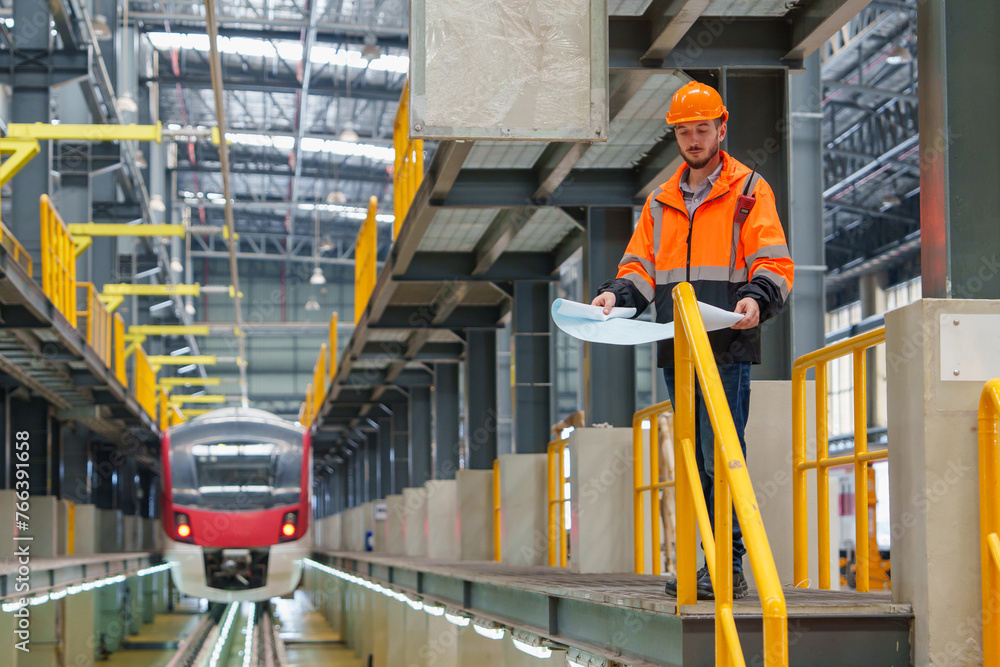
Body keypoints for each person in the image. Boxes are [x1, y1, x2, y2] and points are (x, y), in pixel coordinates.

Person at [591, 81, 794, 600]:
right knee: (692, 458)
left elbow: (773, 261)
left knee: (718, 455)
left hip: (725, 346)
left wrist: (757, 298)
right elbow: (640, 269)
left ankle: (727, 567)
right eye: (684, 132)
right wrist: (615, 295)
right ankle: (706, 561)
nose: (694, 139)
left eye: (703, 129)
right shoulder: (660, 203)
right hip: (677, 350)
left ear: (722, 129)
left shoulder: (750, 190)